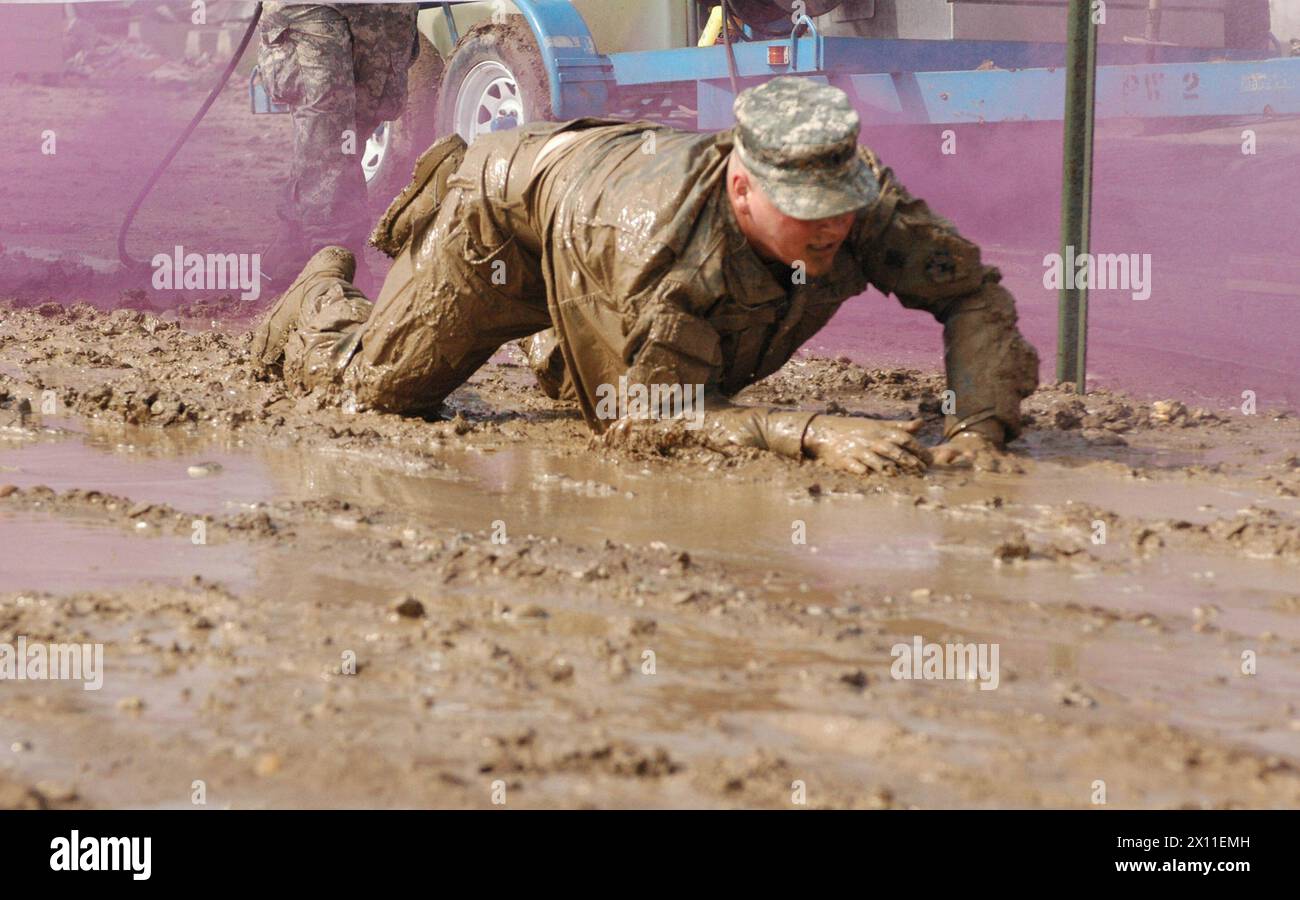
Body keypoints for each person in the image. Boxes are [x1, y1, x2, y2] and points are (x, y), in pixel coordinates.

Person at [251, 77, 1039, 474]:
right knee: (381, 393)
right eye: (808, 208)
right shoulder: (661, 250)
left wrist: (980, 424)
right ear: (742, 189)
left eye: (844, 204)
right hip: (503, 214)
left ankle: (567, 341)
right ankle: (318, 296)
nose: (835, 225)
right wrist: (809, 433)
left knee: (689, 353)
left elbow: (972, 292)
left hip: (594, 229)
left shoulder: (864, 207)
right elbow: (642, 419)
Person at [256, 2, 418, 292]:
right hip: (314, 8)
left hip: (385, 9)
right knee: (329, 127)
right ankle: (335, 264)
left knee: (358, 124)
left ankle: (295, 245)